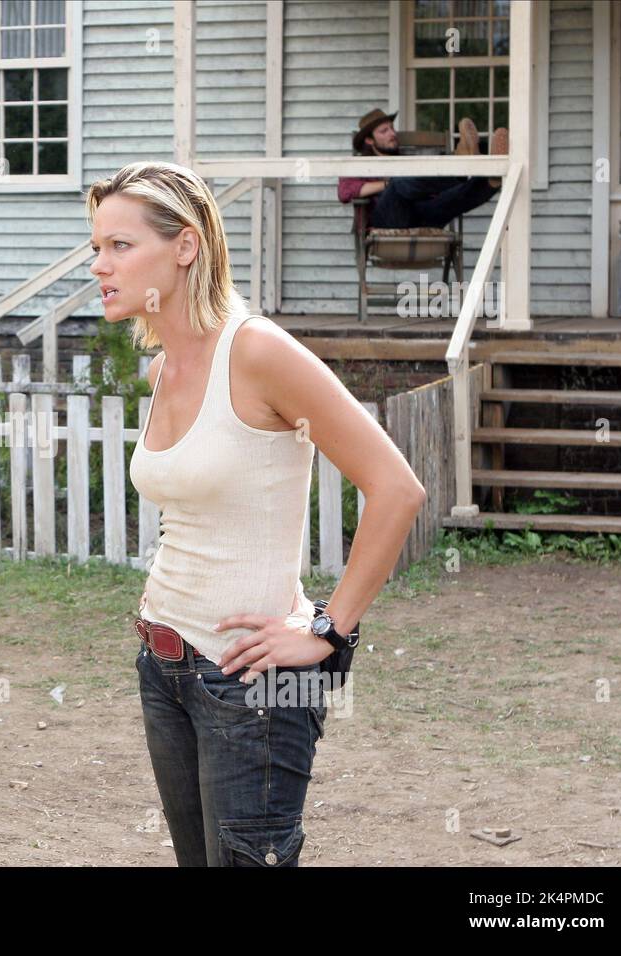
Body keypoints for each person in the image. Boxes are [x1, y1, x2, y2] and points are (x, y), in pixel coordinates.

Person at [88, 161, 426, 866]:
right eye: (97, 248)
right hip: (163, 664)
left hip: (251, 688)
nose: (100, 265)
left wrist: (329, 630)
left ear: (184, 247)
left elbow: (397, 489)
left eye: (120, 246)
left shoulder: (259, 351)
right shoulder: (161, 368)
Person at [338, 108, 509, 231]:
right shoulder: (359, 165)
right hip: (388, 219)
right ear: (369, 140)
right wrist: (387, 184)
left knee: (453, 197)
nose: (392, 133)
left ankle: (491, 179)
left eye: (392, 128)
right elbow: (345, 192)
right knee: (398, 183)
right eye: (384, 131)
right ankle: (459, 167)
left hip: (423, 216)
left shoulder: (405, 160)